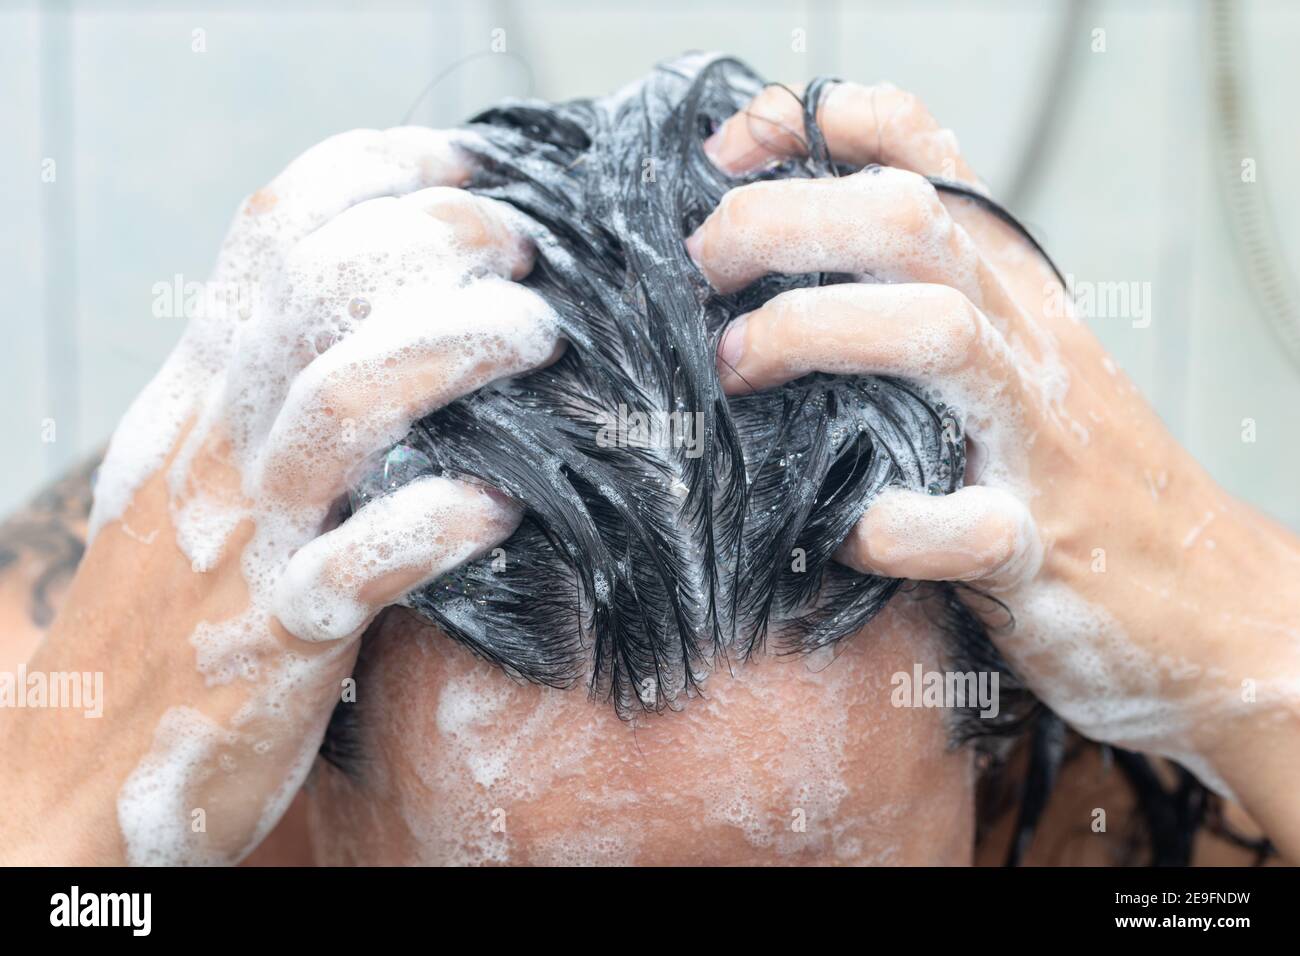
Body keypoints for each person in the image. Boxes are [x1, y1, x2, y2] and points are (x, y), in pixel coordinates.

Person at [0, 54, 1294, 866]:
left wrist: (1265, 669)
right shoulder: (147, 782)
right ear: (292, 807)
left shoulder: (1126, 802)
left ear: (996, 750)